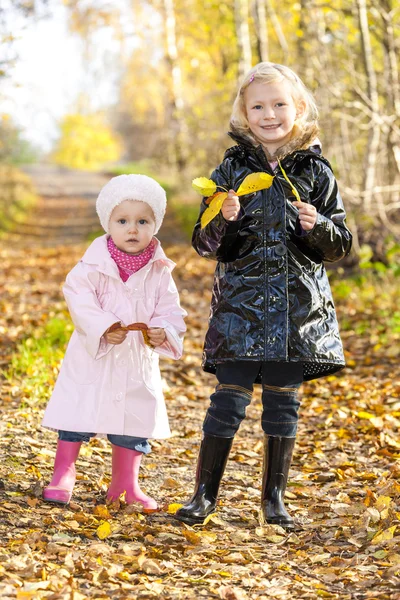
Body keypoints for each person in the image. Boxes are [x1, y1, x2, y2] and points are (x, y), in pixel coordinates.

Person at [175, 62, 352, 529]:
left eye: (279, 105)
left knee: (282, 403)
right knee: (227, 400)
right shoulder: (230, 169)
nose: (269, 114)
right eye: (258, 106)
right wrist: (223, 217)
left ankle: (274, 499)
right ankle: (204, 496)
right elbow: (205, 243)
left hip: (297, 313)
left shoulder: (316, 170)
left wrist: (321, 227)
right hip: (240, 311)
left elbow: (341, 245)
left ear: (298, 109)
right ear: (244, 112)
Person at [42, 174, 187, 509]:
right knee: (78, 411)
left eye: (142, 221)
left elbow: (171, 309)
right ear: (108, 222)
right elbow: (77, 296)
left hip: (136, 356)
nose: (132, 229)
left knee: (133, 418)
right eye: (122, 221)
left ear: (156, 224)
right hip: (95, 353)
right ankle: (63, 472)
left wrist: (163, 329)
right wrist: (105, 326)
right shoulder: (92, 265)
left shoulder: (159, 270)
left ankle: (124, 483)